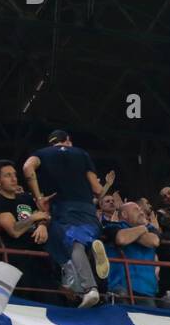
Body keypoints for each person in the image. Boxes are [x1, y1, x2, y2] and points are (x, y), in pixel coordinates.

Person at [23, 129, 113, 308]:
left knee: (69, 242)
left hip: (63, 208)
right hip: (86, 209)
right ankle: (92, 267)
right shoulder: (82, 153)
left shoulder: (42, 154)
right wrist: (107, 184)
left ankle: (89, 289)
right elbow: (96, 189)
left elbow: (27, 168)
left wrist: (38, 196)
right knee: (80, 241)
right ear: (68, 140)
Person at [0, 161, 58, 299]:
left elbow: (44, 216)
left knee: (51, 298)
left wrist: (43, 225)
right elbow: (14, 230)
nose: (14, 178)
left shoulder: (26, 198)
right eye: (8, 175)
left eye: (14, 175)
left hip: (40, 258)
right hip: (18, 262)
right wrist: (33, 218)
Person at [99, 201, 161, 306]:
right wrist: (143, 228)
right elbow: (121, 239)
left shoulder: (151, 229)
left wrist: (131, 234)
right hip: (120, 288)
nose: (141, 212)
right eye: (136, 209)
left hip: (146, 291)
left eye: (141, 210)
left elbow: (154, 241)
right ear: (124, 214)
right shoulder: (112, 226)